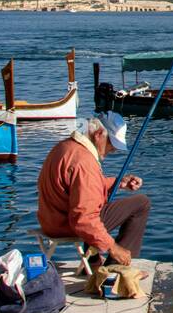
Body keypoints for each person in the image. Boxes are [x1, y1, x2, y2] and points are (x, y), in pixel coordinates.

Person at [37, 112, 150, 268]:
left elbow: (81, 188)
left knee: (93, 207)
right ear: (98, 135)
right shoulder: (85, 162)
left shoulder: (65, 147)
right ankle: (116, 268)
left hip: (50, 221)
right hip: (66, 225)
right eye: (112, 143)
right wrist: (114, 248)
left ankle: (93, 262)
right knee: (141, 204)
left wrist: (118, 183)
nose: (114, 150)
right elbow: (85, 219)